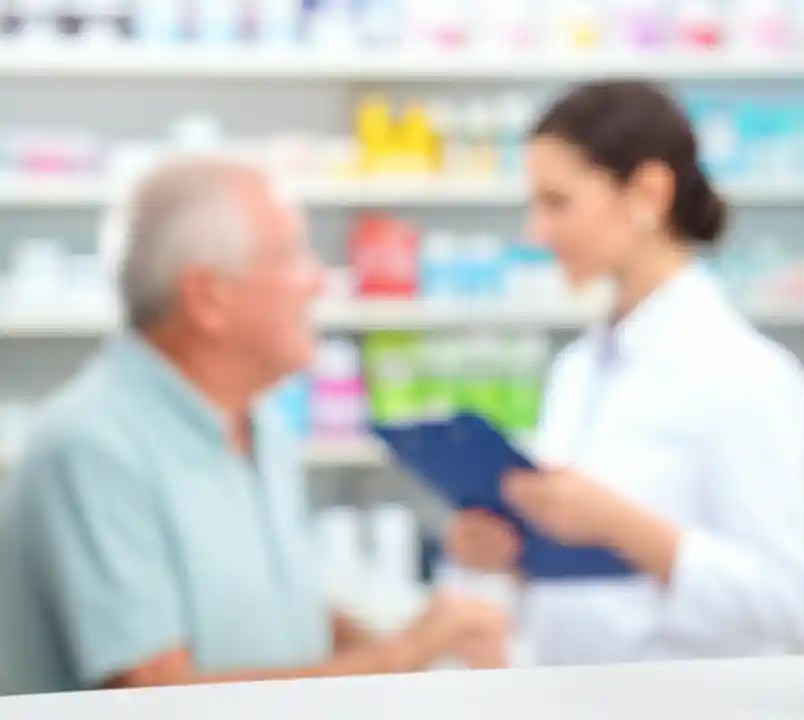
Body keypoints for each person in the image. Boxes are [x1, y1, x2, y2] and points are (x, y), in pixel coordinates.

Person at [0, 158, 507, 696]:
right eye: (291, 255)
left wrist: (420, 649)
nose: (318, 281)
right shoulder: (93, 446)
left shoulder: (259, 426)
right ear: (207, 297)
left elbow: (288, 617)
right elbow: (155, 695)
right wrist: (405, 654)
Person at [445, 81, 804, 665]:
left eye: (557, 202)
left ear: (647, 193)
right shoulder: (578, 369)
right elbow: (586, 598)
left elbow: (793, 601)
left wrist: (625, 528)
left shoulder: (743, 376)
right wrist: (510, 553)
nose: (536, 232)